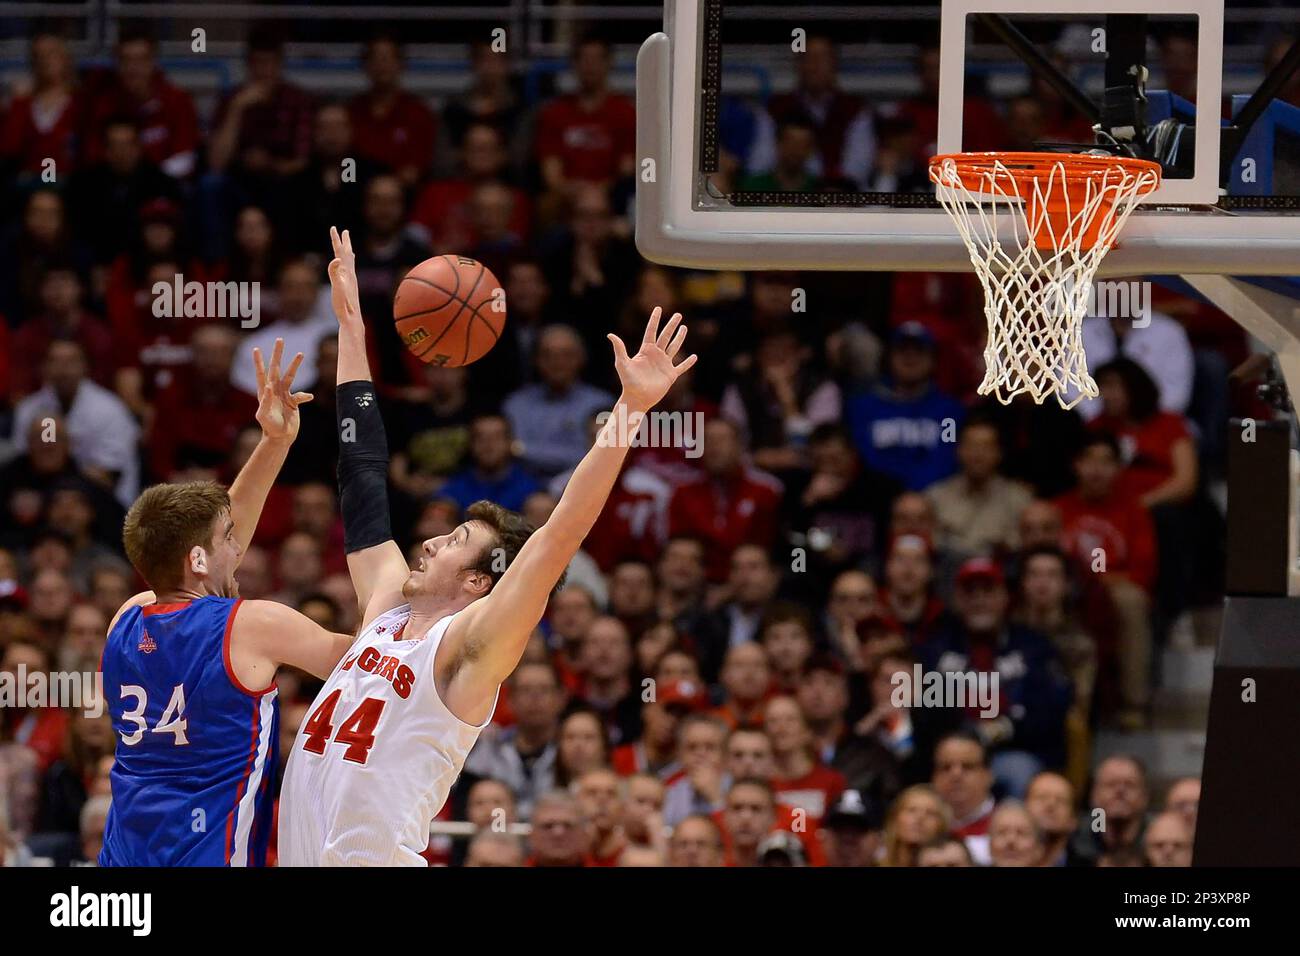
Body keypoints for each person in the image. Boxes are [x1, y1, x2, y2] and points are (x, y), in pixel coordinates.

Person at [278, 228, 697, 865]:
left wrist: (630, 409)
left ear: (479, 581)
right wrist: (351, 326)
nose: (428, 542)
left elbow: (559, 537)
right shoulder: (387, 609)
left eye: (454, 541)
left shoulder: (469, 649)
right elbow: (362, 473)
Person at [98, 341, 354, 866]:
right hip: (209, 854)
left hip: (124, 855)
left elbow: (203, 546)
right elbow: (367, 657)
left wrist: (274, 443)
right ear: (197, 559)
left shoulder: (126, 618)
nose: (239, 547)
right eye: (228, 540)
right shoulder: (254, 624)